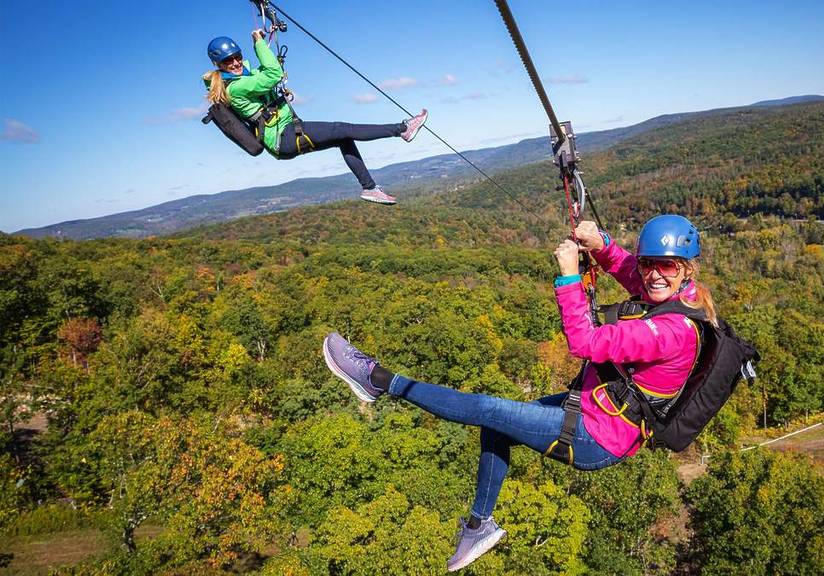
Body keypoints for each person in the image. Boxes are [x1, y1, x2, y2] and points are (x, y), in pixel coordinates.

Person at [322, 214, 715, 571]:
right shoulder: (679, 296)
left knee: (489, 410)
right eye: (650, 264)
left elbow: (585, 342)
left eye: (667, 266)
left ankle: (378, 380)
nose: (654, 275)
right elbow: (630, 270)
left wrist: (568, 276)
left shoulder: (672, 331)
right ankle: (479, 525)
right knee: (498, 425)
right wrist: (600, 242)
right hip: (593, 410)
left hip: (597, 435)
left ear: (686, 269)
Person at [204, 32, 428, 205]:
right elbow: (273, 74)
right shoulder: (236, 87)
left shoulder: (243, 78)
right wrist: (258, 43)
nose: (235, 63)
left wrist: (262, 45)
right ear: (218, 65)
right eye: (228, 61)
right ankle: (402, 129)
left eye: (237, 57)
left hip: (286, 136)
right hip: (284, 137)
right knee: (342, 128)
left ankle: (369, 188)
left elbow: (263, 73)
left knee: (343, 137)